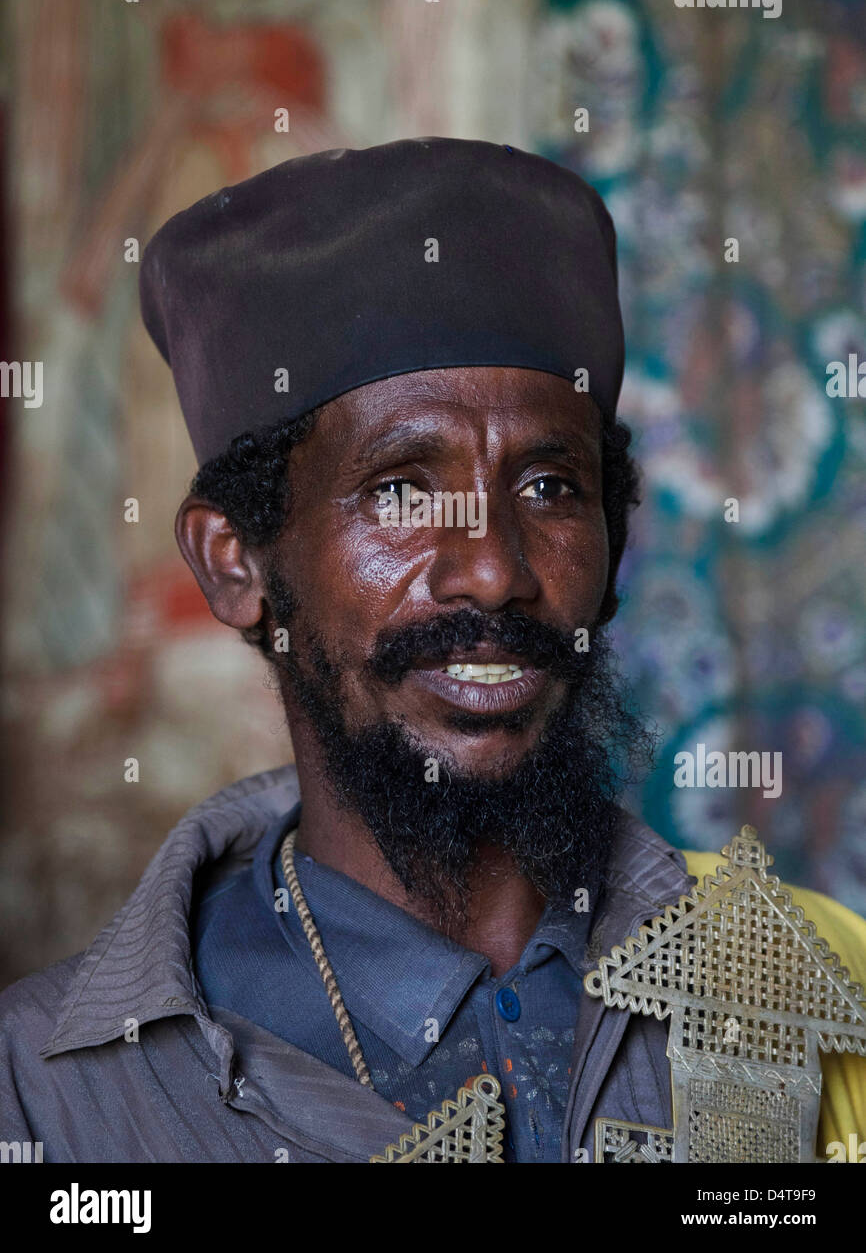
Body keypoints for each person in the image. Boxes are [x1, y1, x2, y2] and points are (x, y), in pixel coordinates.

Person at [1, 138, 864, 1163]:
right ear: (235, 565)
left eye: (549, 486)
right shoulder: (47, 1095)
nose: (493, 571)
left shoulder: (810, 975)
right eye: (401, 490)